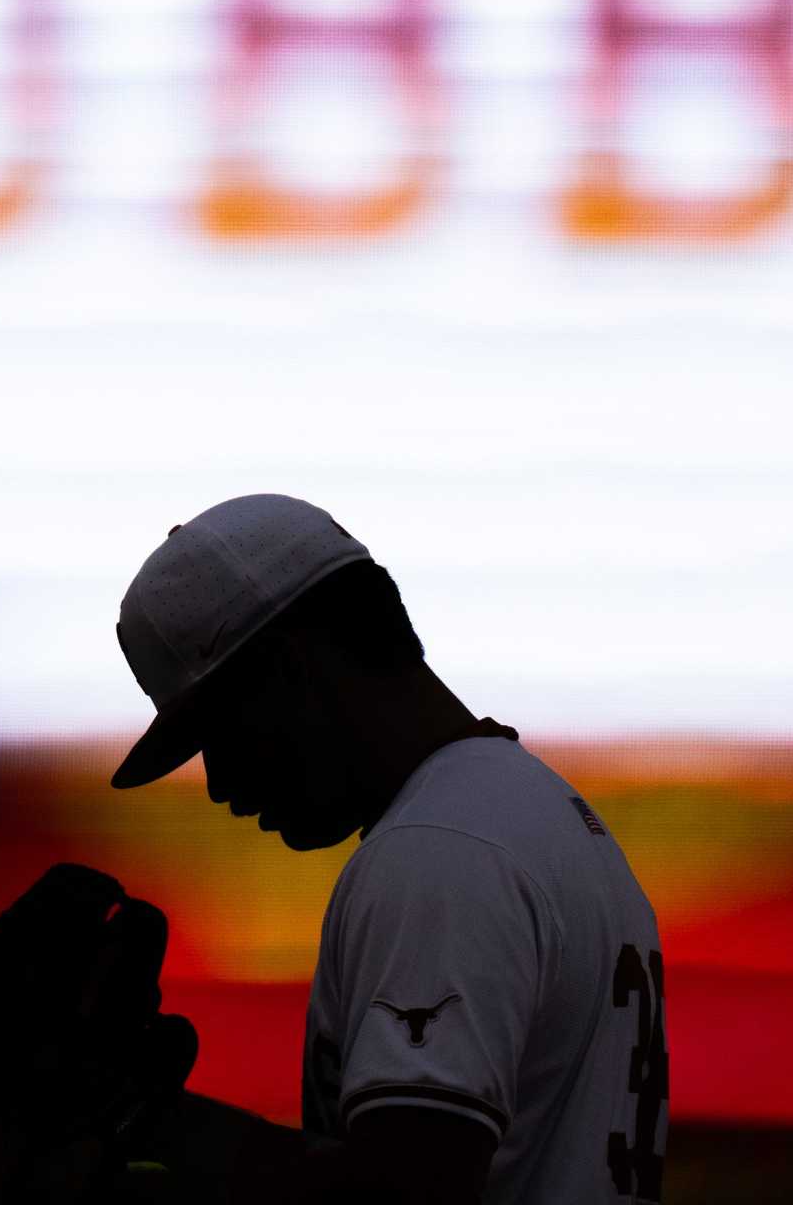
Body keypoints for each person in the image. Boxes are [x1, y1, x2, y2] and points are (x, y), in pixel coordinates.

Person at [110, 493, 669, 1205]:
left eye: (215, 733)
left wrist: (152, 1120)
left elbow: (408, 1191)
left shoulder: (438, 854)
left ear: (290, 669)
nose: (218, 784)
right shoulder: (533, 812)